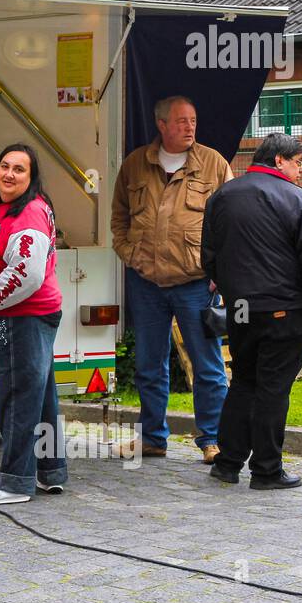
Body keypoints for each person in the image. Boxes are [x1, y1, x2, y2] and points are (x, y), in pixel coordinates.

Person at [202, 133, 302, 490]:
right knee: (273, 389)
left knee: (243, 381)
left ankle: (227, 463)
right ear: (279, 160)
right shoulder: (298, 201)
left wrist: (231, 293)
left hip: (241, 309)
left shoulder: (222, 197)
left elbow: (209, 257)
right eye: (298, 162)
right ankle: (266, 469)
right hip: (285, 310)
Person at [111, 95, 232, 463]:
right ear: (161, 124)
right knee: (149, 364)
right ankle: (152, 438)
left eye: (192, 120)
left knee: (207, 366)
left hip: (196, 284)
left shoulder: (212, 164)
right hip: (146, 283)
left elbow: (232, 221)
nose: (189, 127)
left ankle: (214, 439)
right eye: (181, 121)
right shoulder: (135, 164)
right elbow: (118, 217)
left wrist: (219, 271)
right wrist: (130, 255)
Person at [0, 144, 67, 505]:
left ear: (31, 177)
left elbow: (26, 272)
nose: (9, 174)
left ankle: (13, 482)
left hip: (20, 318)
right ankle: (49, 470)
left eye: (19, 169)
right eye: (4, 166)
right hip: (24, 316)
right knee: (40, 398)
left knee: (16, 397)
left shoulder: (29, 214)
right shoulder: (8, 209)